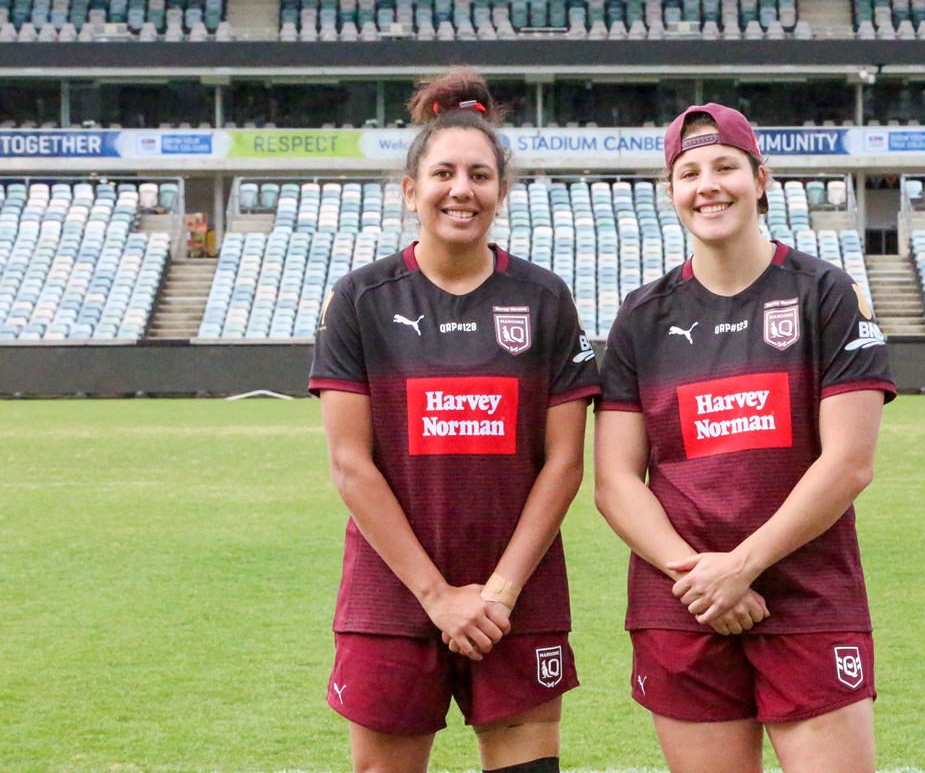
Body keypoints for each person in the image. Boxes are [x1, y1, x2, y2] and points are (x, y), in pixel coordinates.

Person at [309, 69, 600, 773]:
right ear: (411, 190)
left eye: (479, 174)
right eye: (442, 173)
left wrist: (496, 593)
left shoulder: (544, 299)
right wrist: (437, 596)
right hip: (392, 596)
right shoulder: (360, 300)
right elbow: (351, 464)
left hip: (517, 598)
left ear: (501, 192)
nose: (461, 190)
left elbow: (563, 464)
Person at [595, 102, 895, 773]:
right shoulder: (641, 318)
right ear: (669, 191)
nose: (708, 186)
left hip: (806, 597)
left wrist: (742, 565)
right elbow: (614, 481)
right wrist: (698, 575)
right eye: (689, 172)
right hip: (682, 602)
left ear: (761, 178)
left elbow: (848, 464)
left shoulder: (827, 294)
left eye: (726, 167)